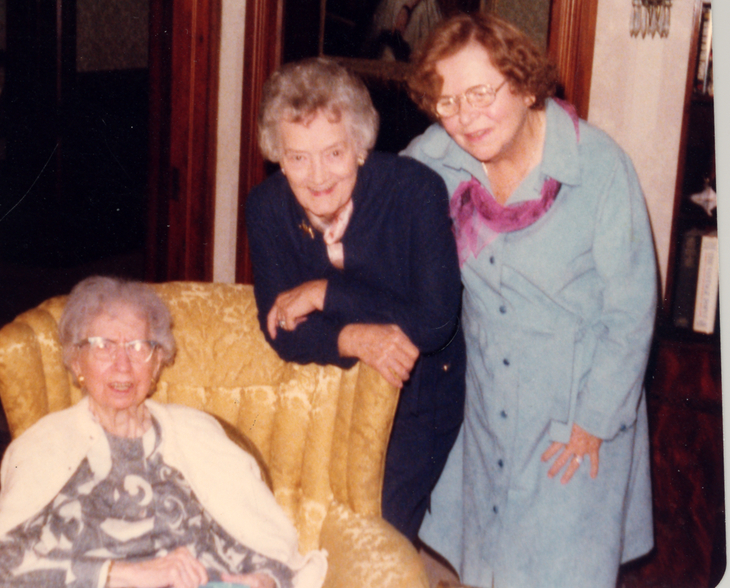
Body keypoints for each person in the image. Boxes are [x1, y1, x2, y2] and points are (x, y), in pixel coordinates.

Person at [401, 12, 657, 588]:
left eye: (481, 94)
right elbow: (370, 206)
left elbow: (631, 312)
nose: (466, 117)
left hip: (574, 415)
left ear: (522, 84)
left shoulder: (599, 166)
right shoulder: (436, 159)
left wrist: (594, 420)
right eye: (447, 102)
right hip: (486, 405)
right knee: (486, 566)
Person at [0, 276, 327, 588]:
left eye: (139, 347)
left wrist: (262, 579)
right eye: (103, 346)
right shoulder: (44, 445)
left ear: (156, 365)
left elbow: (267, 546)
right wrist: (120, 574)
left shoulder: (198, 434)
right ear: (77, 361)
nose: (122, 365)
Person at [245, 57, 465, 543]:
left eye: (334, 153)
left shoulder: (414, 191)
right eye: (298, 157)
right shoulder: (266, 208)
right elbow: (281, 328)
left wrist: (324, 293)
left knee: (375, 536)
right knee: (301, 527)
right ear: (277, 155)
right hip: (327, 390)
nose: (317, 176)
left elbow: (433, 323)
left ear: (360, 147)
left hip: (417, 395)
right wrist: (353, 337)